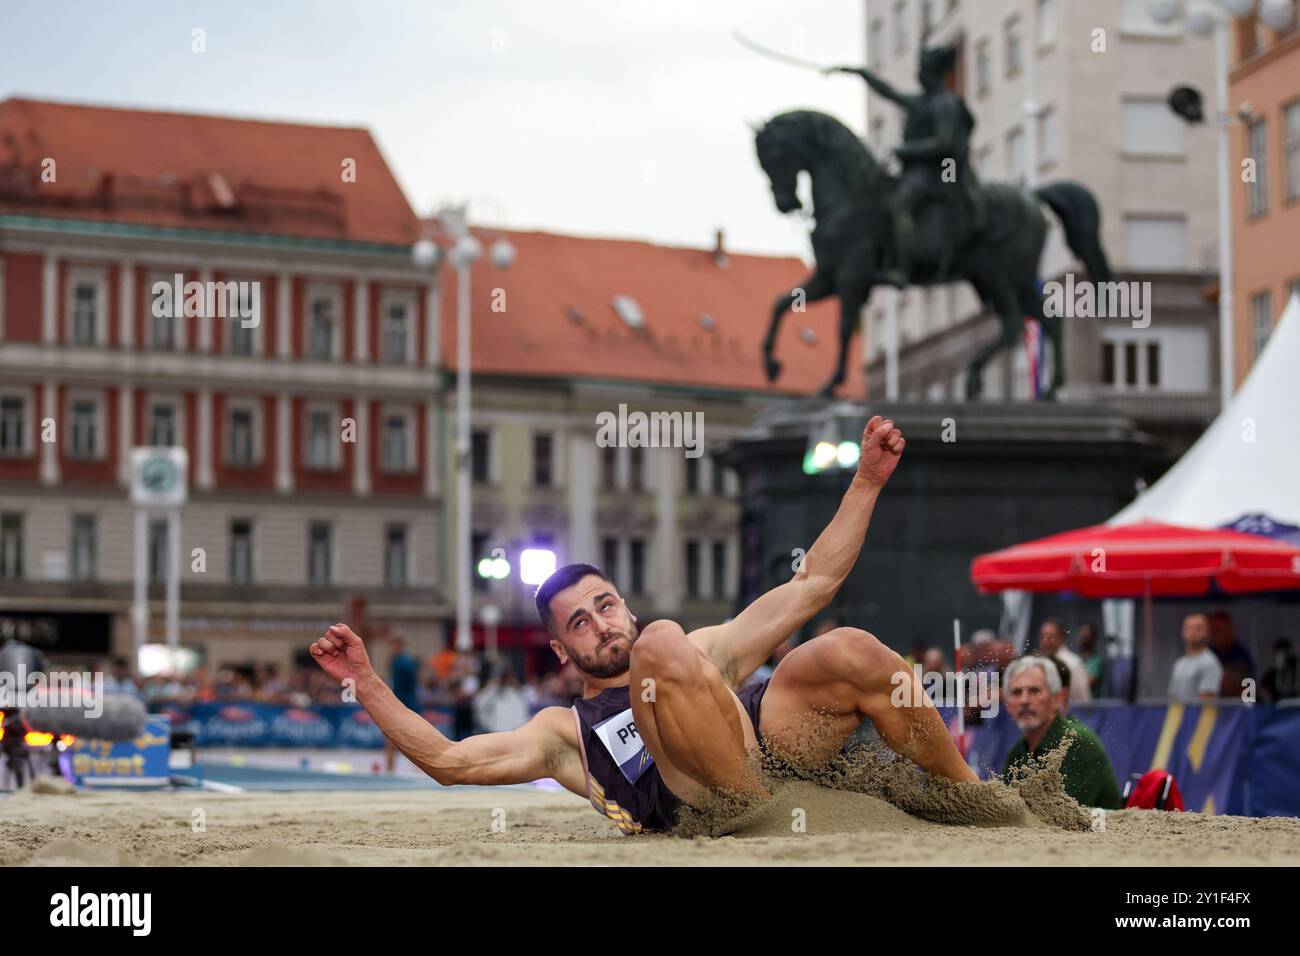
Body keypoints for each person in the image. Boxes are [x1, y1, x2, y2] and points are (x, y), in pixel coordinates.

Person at [310, 416, 978, 835]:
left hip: (768, 747)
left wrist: (865, 480)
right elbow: (449, 762)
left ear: (622, 605)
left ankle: (970, 799)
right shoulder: (562, 733)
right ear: (561, 648)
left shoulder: (703, 649)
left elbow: (816, 583)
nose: (600, 625)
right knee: (666, 643)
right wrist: (365, 681)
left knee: (846, 646)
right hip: (697, 804)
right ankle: (761, 816)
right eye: (579, 621)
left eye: (604, 606)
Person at [825, 44, 985, 285]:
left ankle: (903, 267)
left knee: (900, 204)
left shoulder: (944, 104)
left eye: (922, 69)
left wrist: (905, 150)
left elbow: (944, 144)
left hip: (940, 172)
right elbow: (889, 92)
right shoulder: (922, 102)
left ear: (932, 72)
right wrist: (860, 73)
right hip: (917, 171)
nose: (918, 74)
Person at [1001, 656, 1122, 810]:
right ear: (1007, 703)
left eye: (1035, 691)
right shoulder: (1018, 751)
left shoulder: (1077, 742)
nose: (1024, 700)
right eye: (1016, 692)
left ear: (1058, 698)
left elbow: (1059, 818)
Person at [1168, 613, 1223, 702]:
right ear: (1182, 632)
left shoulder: (1210, 663)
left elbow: (1206, 701)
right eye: (1189, 628)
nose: (1193, 632)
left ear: (1208, 632)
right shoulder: (1179, 663)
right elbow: (1172, 697)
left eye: (1199, 628)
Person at [385, 638, 421, 773]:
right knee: (409, 738)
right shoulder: (405, 661)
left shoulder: (400, 662)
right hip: (406, 703)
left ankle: (390, 767)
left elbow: (403, 686)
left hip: (402, 704)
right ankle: (391, 767)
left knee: (393, 737)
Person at [1036, 619, 1092, 703]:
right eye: (1043, 636)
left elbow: (1084, 698)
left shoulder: (1073, 663)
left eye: (1050, 637)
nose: (1046, 641)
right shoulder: (1037, 661)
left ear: (1061, 638)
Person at [1208, 610, 1255, 699]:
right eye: (1212, 631)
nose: (1215, 635)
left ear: (1230, 630)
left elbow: (1249, 691)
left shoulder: (1242, 656)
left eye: (1218, 630)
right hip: (1211, 707)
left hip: (1236, 707)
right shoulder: (1207, 655)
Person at [1261, 638, 1299, 703]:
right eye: (1280, 654)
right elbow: (1262, 689)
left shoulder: (1297, 673)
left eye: (1286, 653)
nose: (1284, 657)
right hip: (1279, 708)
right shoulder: (1271, 674)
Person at [1077, 623, 1106, 698]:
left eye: (1085, 637)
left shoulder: (1097, 661)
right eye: (1081, 636)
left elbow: (1086, 684)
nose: (1082, 639)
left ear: (1093, 639)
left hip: (1092, 706)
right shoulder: (1077, 660)